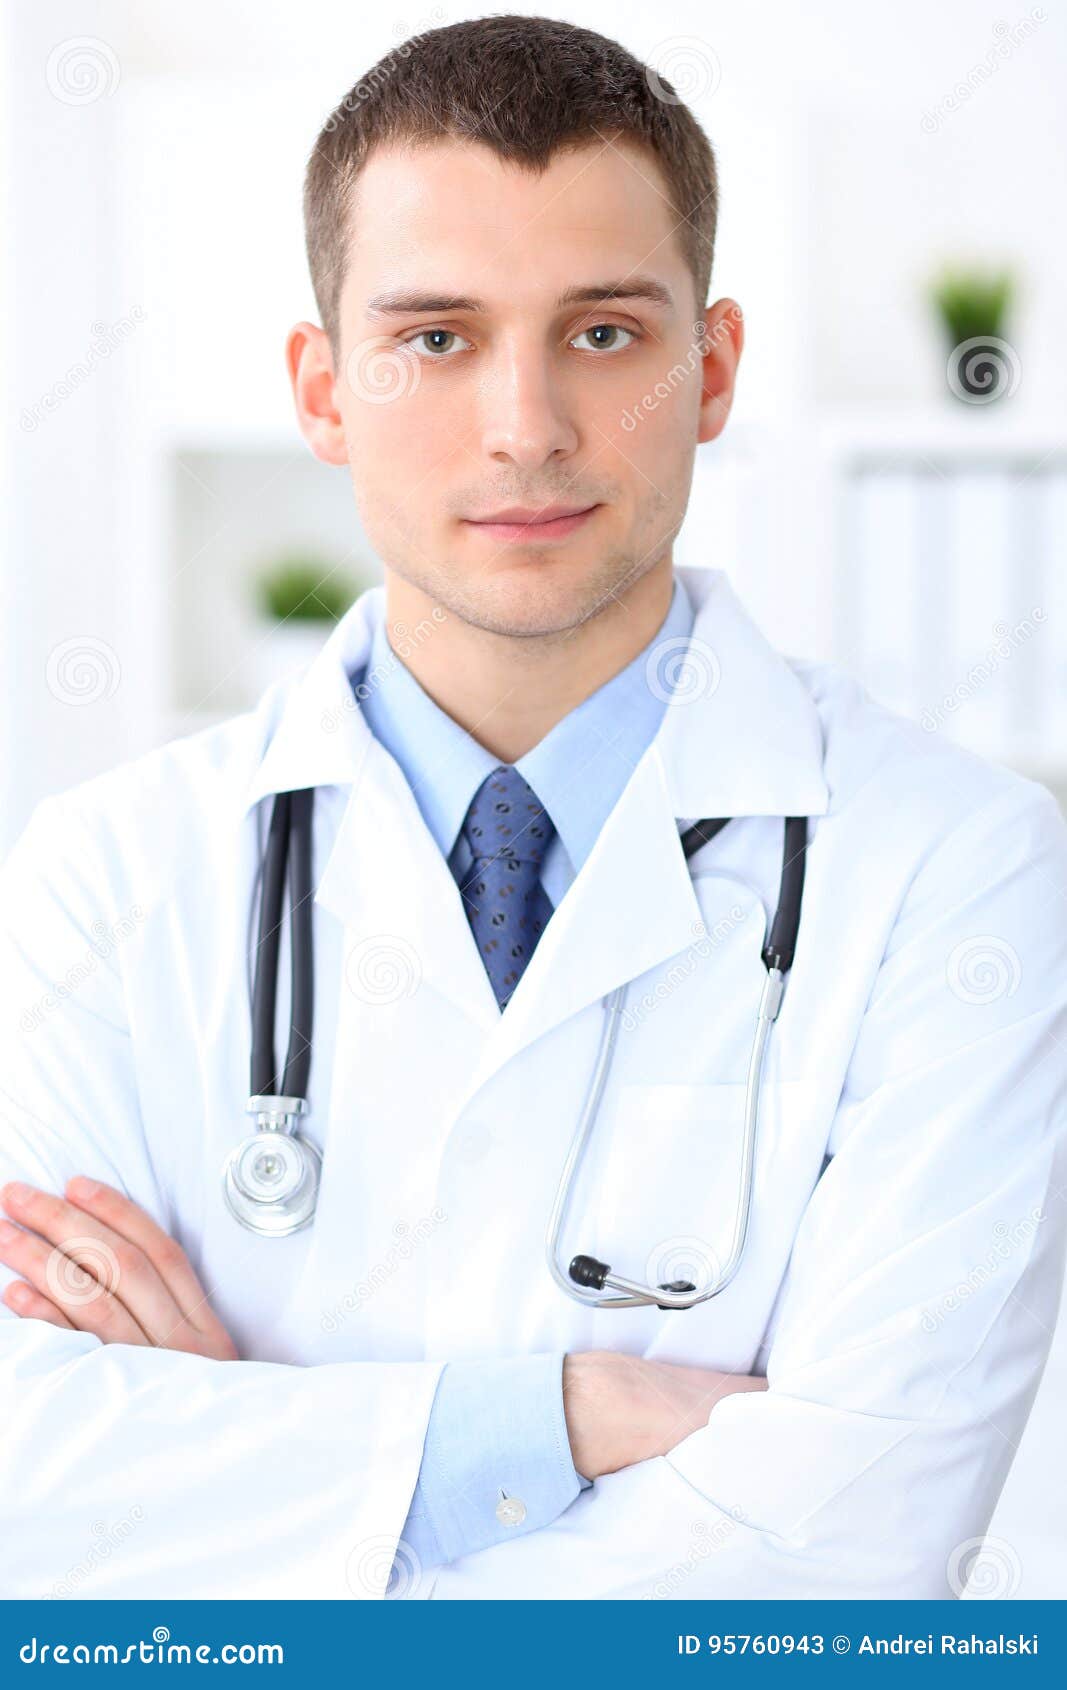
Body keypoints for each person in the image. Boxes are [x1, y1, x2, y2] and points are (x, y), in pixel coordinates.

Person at [1, 14, 1065, 1602]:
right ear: (323, 389)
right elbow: (32, 1492)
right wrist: (551, 1418)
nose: (525, 426)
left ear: (711, 372)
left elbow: (854, 1555)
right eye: (436, 337)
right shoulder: (104, 874)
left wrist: (257, 1482)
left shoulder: (960, 868)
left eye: (605, 333)